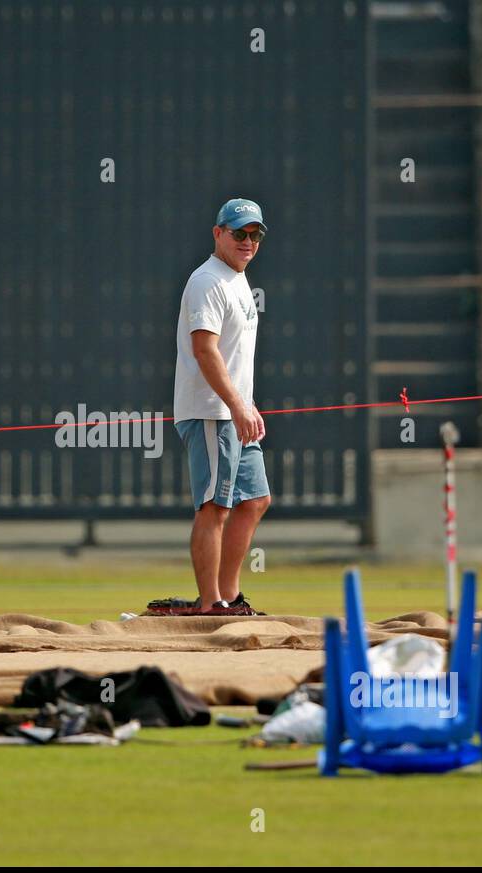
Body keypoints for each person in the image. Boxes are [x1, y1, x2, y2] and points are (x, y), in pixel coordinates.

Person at [171, 199, 272, 613]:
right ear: (218, 234)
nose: (248, 242)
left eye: (255, 235)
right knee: (215, 506)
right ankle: (210, 605)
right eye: (239, 233)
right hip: (212, 411)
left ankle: (228, 597)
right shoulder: (207, 281)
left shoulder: (237, 279)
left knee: (254, 501)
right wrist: (236, 404)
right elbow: (204, 350)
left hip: (235, 410)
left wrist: (247, 404)